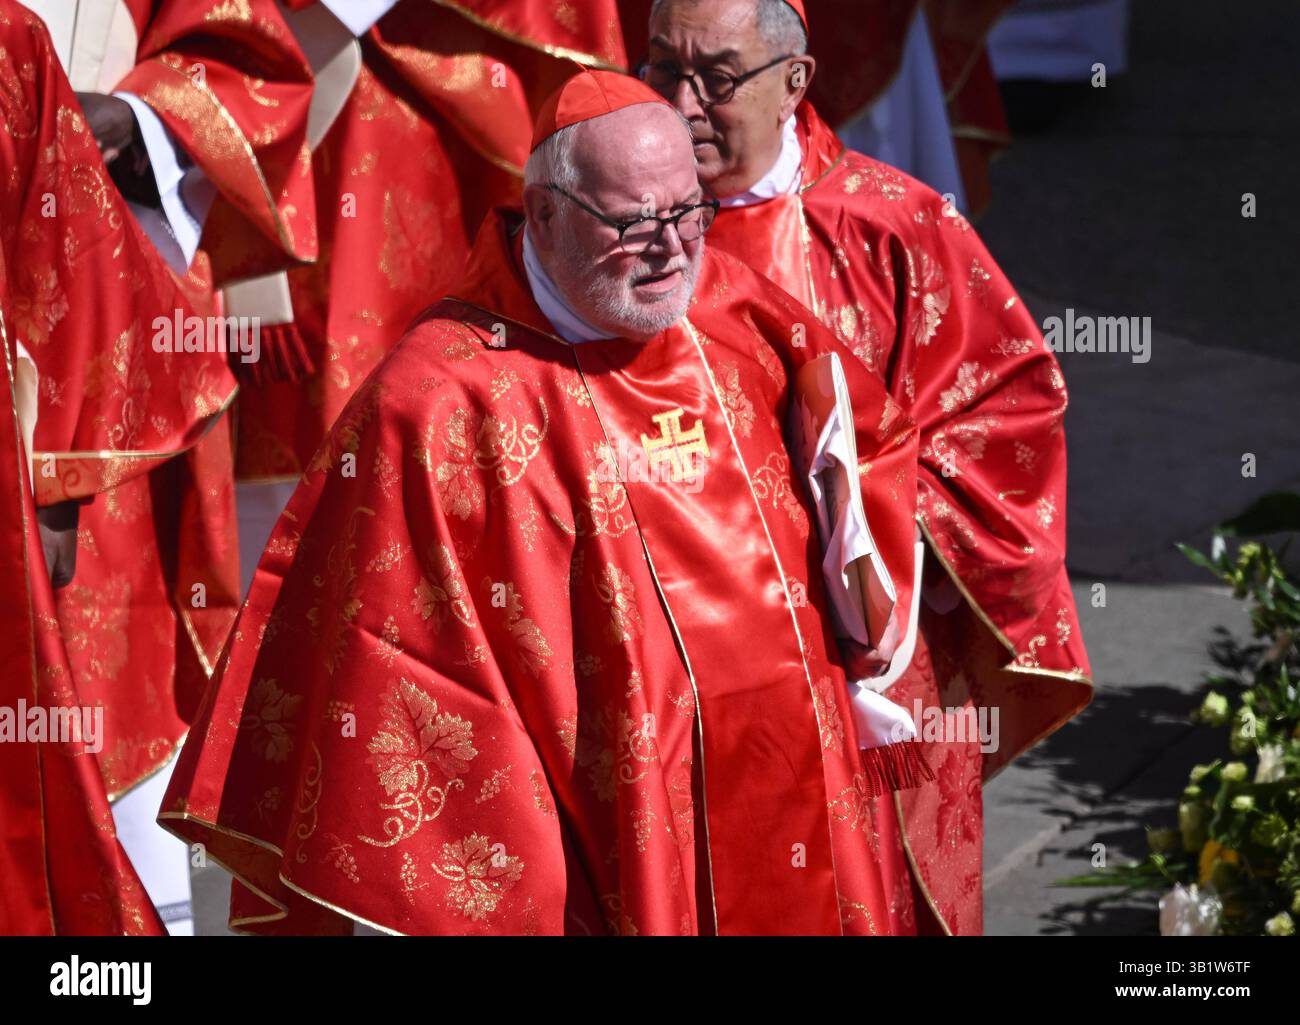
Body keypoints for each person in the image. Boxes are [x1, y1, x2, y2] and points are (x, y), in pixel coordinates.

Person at [161, 69, 935, 936]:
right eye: (636, 222)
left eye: (690, 213)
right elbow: (393, 669)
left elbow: (864, 438)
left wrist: (858, 579)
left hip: (794, 789)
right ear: (546, 210)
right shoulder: (439, 403)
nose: (672, 249)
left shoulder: (732, 312)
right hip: (603, 837)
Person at [641, 0, 1092, 934]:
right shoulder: (613, 224)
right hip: (673, 671)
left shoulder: (891, 228)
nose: (680, 106)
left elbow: (1009, 410)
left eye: (716, 80)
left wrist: (867, 514)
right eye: (660, 68)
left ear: (795, 82)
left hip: (854, 670)